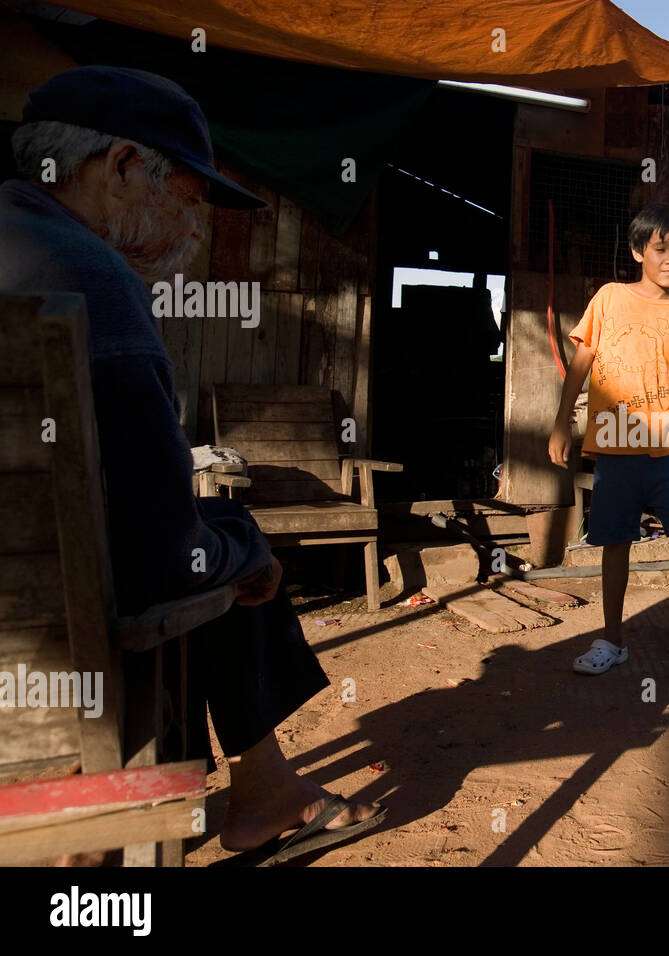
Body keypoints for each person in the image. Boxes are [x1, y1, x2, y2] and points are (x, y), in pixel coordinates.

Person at [0, 65, 383, 863]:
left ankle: (264, 788)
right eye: (192, 194)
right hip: (53, 664)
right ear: (123, 168)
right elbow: (166, 557)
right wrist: (245, 550)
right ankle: (263, 793)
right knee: (225, 546)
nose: (200, 226)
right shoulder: (91, 282)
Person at [548, 203, 669, 678]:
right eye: (661, 248)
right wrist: (562, 423)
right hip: (614, 445)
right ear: (637, 251)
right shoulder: (608, 298)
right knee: (614, 541)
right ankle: (612, 639)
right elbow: (580, 366)